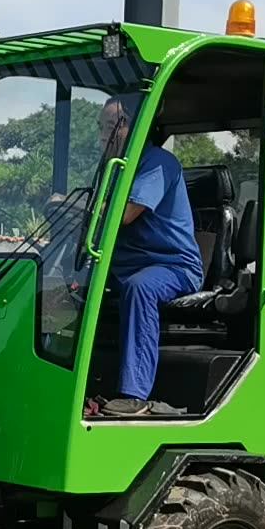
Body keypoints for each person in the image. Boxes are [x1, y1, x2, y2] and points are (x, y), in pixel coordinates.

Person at [95, 96, 202, 416]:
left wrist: (81, 209)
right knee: (69, 285)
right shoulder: (113, 170)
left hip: (172, 266)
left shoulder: (158, 163)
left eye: (111, 127)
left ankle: (134, 394)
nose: (103, 135)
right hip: (126, 265)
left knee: (141, 287)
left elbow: (124, 215)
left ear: (131, 127)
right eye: (101, 127)